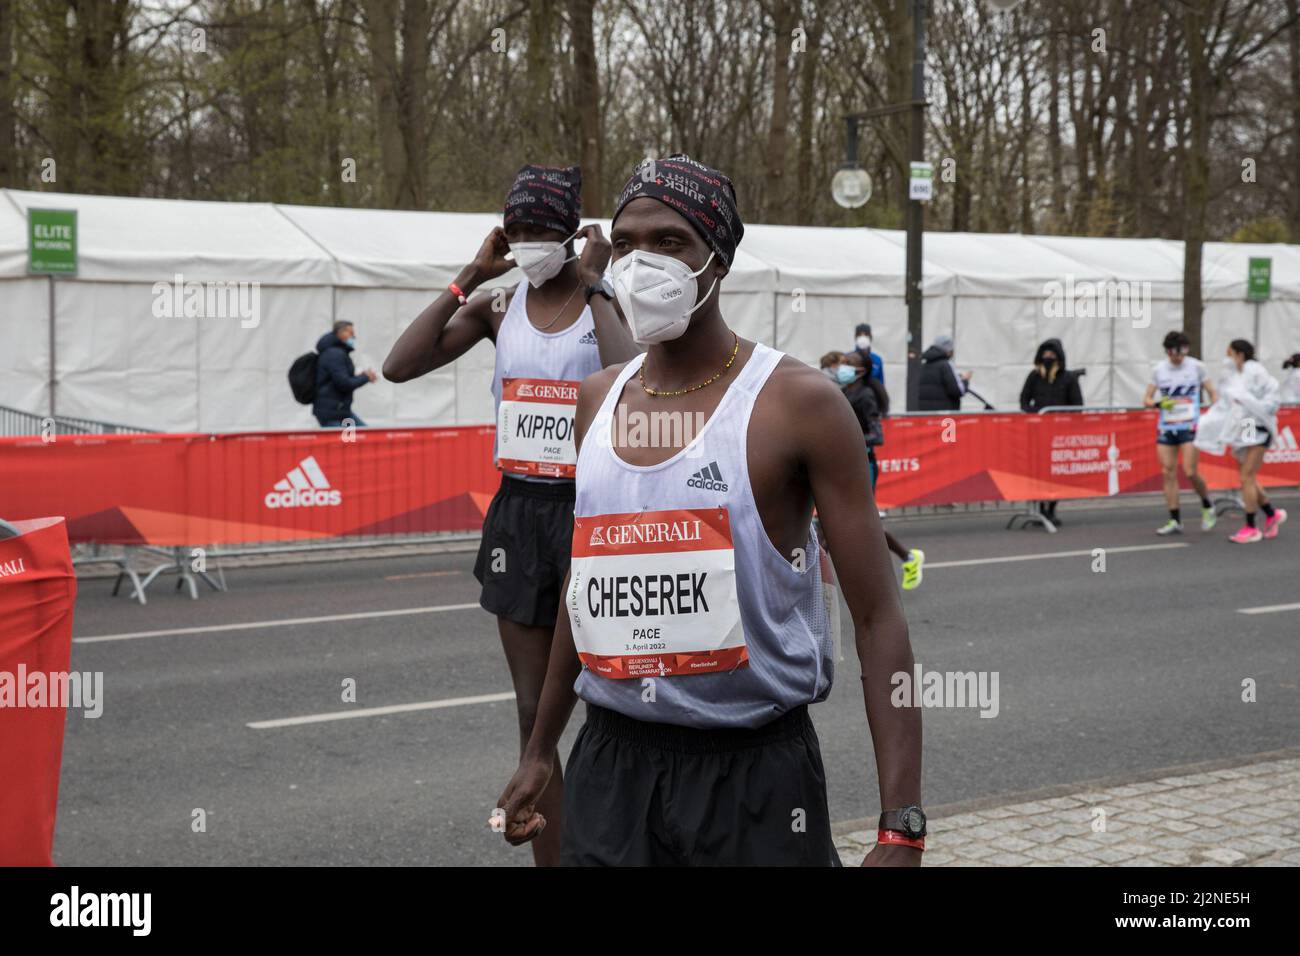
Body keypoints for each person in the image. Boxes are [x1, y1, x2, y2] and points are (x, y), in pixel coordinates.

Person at [494, 154, 923, 867]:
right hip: (612, 764)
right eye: (626, 243)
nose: (640, 262)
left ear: (717, 261)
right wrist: (541, 751)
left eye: (669, 242)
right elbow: (585, 584)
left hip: (754, 774)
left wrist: (900, 823)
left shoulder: (799, 403)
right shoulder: (596, 399)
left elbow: (879, 619)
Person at [384, 164, 638, 865]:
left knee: (614, 708)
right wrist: (470, 272)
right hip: (521, 514)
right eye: (517, 230)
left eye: (541, 231)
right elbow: (400, 365)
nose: (528, 243)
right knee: (535, 717)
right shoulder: (499, 308)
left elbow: (631, 387)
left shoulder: (603, 303)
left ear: (570, 233)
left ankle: (621, 843)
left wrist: (597, 282)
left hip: (596, 512)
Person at [820, 350, 924, 590]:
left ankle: (811, 579)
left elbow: (877, 435)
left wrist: (846, 439)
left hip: (863, 465)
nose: (842, 367)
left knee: (858, 521)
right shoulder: (846, 392)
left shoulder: (866, 396)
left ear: (862, 370)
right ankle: (907, 557)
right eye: (842, 362)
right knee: (832, 519)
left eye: (848, 363)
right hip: (842, 464)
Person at [1209, 339, 1286, 544]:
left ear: (1240, 355)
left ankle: (1251, 527)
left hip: (1259, 425)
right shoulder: (1239, 375)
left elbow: (1266, 403)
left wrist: (1247, 404)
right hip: (1247, 425)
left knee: (1246, 477)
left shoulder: (1256, 372)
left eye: (1230, 354)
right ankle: (1271, 514)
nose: (1228, 359)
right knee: (1247, 477)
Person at [1141, 331, 1218, 535]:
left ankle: (1207, 504)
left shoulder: (1197, 366)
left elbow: (1212, 392)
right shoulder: (1158, 369)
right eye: (1174, 352)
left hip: (1190, 425)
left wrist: (1215, 413)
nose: (1178, 357)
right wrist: (1158, 403)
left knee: (1190, 471)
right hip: (1167, 426)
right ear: (1167, 351)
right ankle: (1174, 519)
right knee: (1168, 472)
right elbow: (1146, 399)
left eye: (1182, 352)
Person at [1019, 338, 1084, 525]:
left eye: (1052, 354)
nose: (1048, 357)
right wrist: (1037, 414)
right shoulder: (1034, 376)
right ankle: (1038, 508)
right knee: (1037, 471)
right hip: (1037, 432)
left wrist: (1062, 418)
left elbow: (1077, 406)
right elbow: (1024, 400)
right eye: (1045, 353)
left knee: (1056, 472)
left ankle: (1051, 509)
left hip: (1059, 434)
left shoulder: (1068, 378)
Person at [313, 321, 376, 427]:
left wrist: (362, 376)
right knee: (359, 438)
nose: (354, 336)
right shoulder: (335, 354)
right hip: (333, 412)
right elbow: (343, 383)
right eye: (351, 333)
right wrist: (365, 377)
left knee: (364, 436)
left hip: (339, 411)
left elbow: (341, 379)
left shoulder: (335, 352)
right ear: (341, 333)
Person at [917, 334, 969, 411]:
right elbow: (958, 390)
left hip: (925, 417)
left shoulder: (923, 366)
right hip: (944, 417)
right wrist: (965, 380)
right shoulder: (946, 365)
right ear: (948, 350)